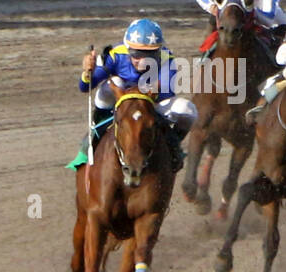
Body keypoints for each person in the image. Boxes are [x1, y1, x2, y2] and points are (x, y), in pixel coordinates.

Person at [68, 18, 195, 172]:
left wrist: (142, 94)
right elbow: (85, 87)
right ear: (128, 49)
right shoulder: (114, 55)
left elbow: (167, 91)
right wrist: (88, 72)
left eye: (148, 55)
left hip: (150, 105)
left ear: (158, 51)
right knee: (113, 82)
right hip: (120, 102)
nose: (140, 61)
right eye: (136, 54)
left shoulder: (167, 59)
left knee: (188, 109)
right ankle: (96, 132)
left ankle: (173, 145)